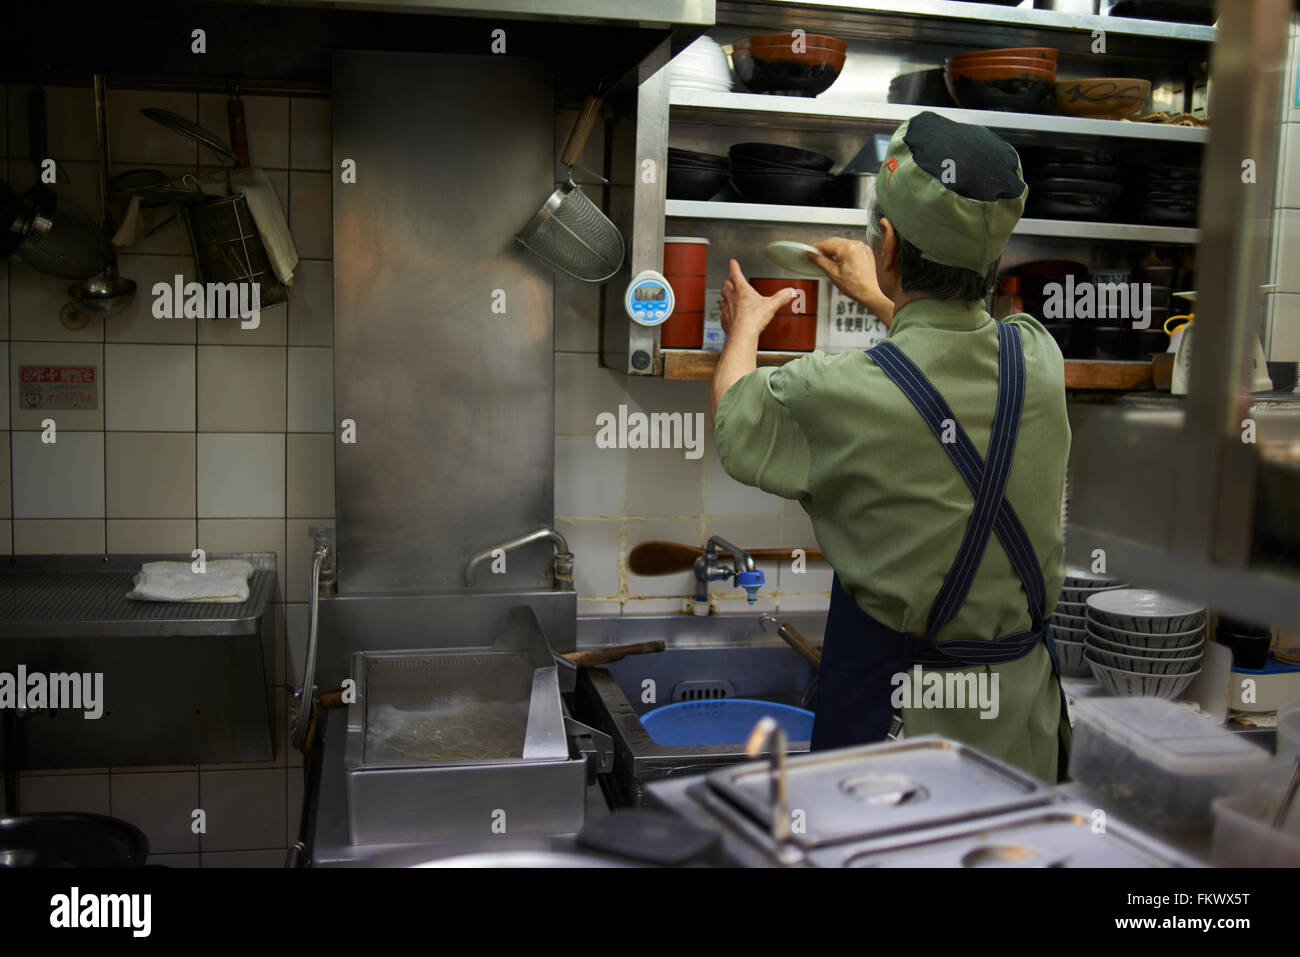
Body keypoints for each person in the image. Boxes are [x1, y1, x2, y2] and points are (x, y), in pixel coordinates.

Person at [711, 111, 1071, 782]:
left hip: (902, 739)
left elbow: (736, 419)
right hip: (1023, 731)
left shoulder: (838, 389)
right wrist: (881, 291)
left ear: (888, 241)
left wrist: (745, 329)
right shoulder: (1039, 359)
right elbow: (953, 353)